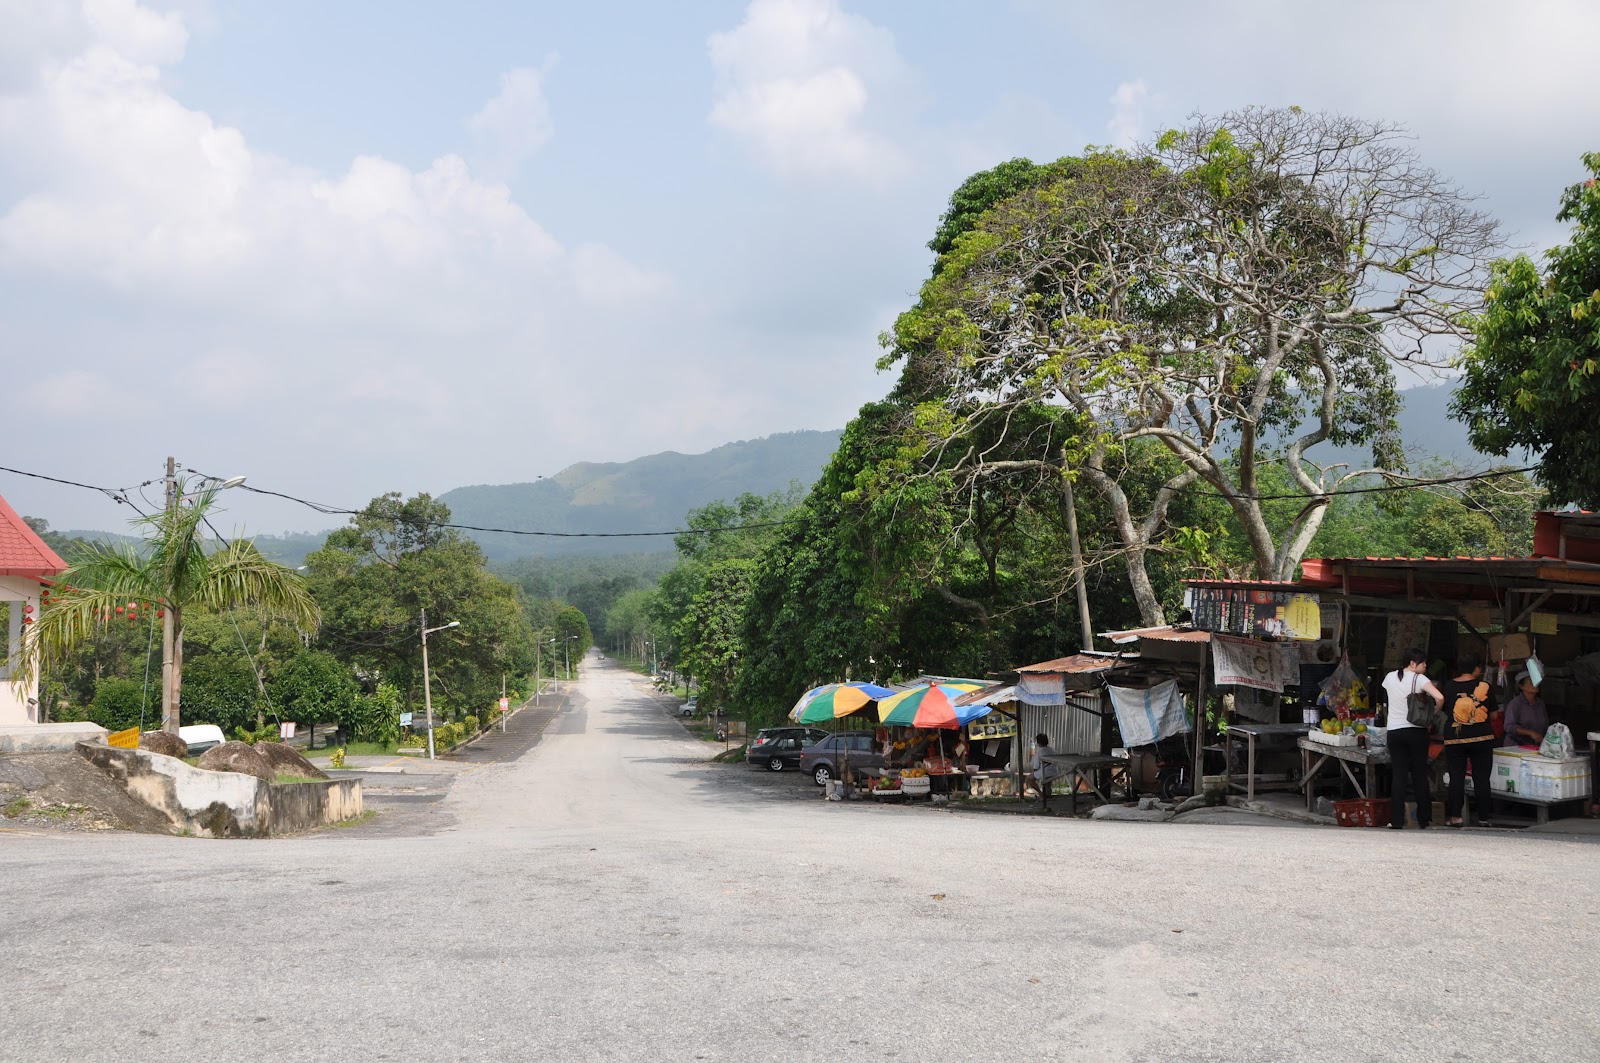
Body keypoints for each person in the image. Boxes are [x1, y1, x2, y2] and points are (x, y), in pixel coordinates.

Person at [1381, 648, 1444, 830]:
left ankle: (1397, 820)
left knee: (1398, 776)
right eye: (1423, 662)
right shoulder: (1420, 679)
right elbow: (1439, 697)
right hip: (1416, 731)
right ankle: (1424, 820)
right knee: (1419, 775)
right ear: (1413, 663)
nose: (1426, 666)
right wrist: (1434, 712)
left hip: (1394, 731)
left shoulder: (1390, 677)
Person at [1440, 653, 1497, 828]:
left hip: (1455, 739)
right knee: (1481, 778)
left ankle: (1456, 817)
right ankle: (1483, 818)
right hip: (1482, 737)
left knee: (1456, 777)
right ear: (1477, 668)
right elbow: (1494, 715)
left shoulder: (1448, 686)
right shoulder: (1485, 686)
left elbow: (1443, 711)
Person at [1502, 670, 1549, 748]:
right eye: (1530, 682)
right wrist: (1530, 733)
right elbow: (1509, 726)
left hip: (1534, 747)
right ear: (1521, 686)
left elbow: (1545, 725)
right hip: (1515, 747)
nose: (1535, 684)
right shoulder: (1515, 703)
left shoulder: (1540, 703)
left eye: (1536, 680)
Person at [1027, 733, 1057, 798]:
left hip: (1044, 771)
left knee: (1029, 779)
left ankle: (1041, 793)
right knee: (1048, 784)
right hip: (1054, 771)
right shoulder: (1052, 750)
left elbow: (1036, 767)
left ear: (1038, 742)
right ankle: (1047, 796)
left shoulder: (1040, 752)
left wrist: (1035, 772)